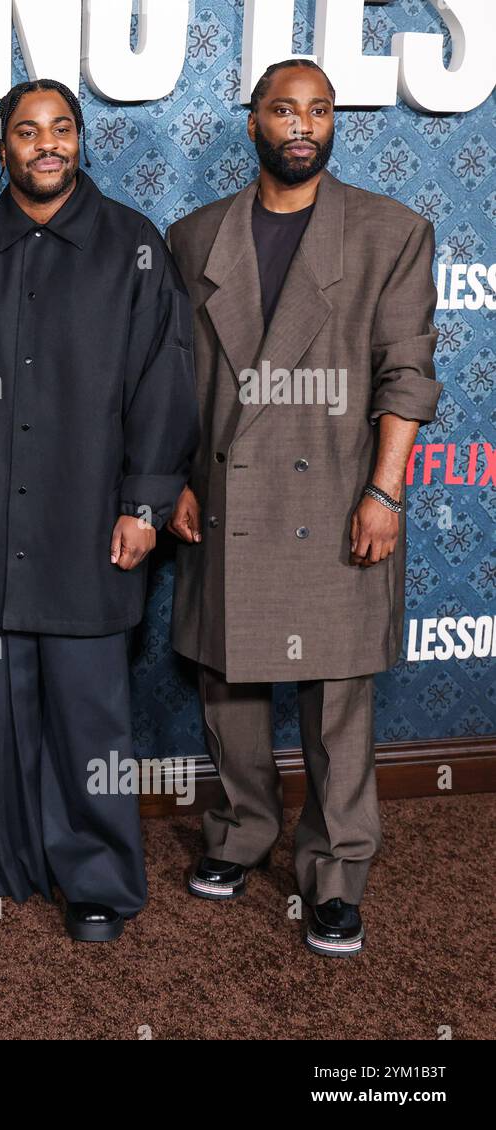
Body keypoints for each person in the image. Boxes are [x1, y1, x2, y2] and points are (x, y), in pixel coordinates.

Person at [166, 60, 440, 957]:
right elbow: (171, 385)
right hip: (226, 500)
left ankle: (334, 874)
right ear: (253, 122)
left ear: (332, 125)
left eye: (319, 110)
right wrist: (177, 479)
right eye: (284, 109)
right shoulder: (195, 235)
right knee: (230, 685)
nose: (302, 125)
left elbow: (406, 374)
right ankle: (241, 835)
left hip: (336, 498)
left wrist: (384, 490)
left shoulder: (389, 233)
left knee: (337, 705)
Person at [0, 80, 198, 942]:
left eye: (63, 130)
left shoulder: (135, 248)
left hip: (90, 523)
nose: (48, 145)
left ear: (80, 141)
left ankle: (98, 882)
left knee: (89, 716)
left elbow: (164, 382)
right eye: (28, 132)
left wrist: (146, 504)